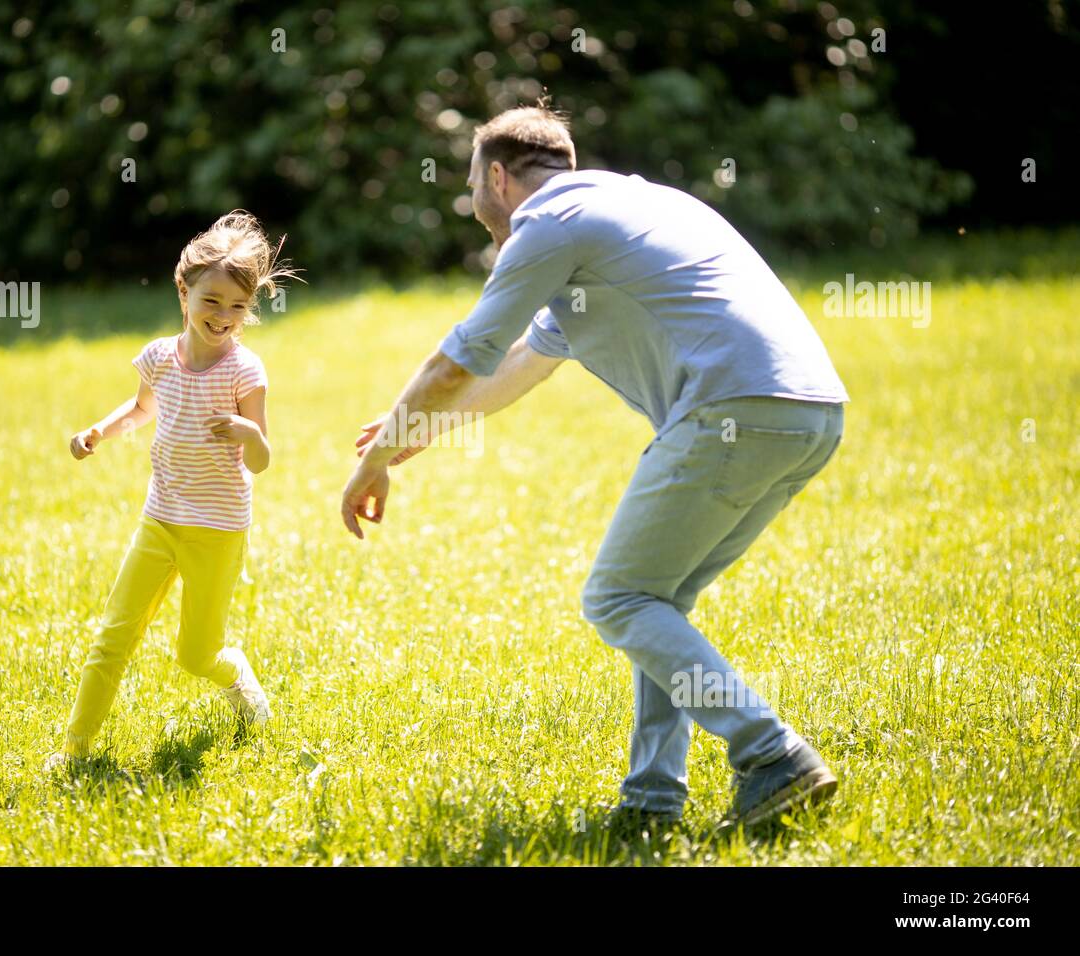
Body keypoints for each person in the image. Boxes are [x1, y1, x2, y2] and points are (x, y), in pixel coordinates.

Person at [344, 104, 848, 830]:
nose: (473, 207)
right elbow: (524, 363)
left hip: (729, 411)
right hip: (811, 413)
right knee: (656, 601)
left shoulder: (547, 226)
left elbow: (456, 360)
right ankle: (650, 802)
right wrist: (423, 430)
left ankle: (773, 757)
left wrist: (376, 458)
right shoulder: (636, 207)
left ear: (497, 176)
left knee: (619, 599)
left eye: (471, 187)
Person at [44, 211, 296, 771]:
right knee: (112, 638)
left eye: (236, 306)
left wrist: (248, 432)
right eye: (211, 301)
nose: (223, 316)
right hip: (159, 520)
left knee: (196, 654)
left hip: (217, 530)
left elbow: (261, 460)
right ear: (184, 292)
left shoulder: (245, 372)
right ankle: (73, 753)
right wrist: (97, 433)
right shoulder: (159, 356)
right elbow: (140, 409)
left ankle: (239, 678)